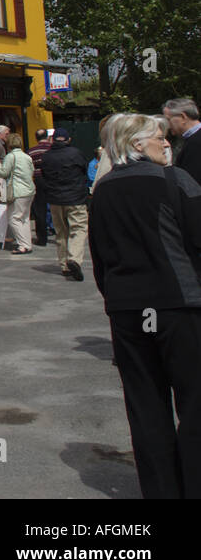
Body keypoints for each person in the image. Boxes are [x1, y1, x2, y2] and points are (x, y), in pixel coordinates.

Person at [89, 113, 201, 498]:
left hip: (128, 311)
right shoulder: (175, 181)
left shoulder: (102, 190)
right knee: (194, 401)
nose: (166, 144)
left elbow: (100, 256)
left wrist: (116, 300)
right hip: (179, 305)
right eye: (159, 138)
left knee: (145, 404)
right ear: (137, 144)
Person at [43, 128, 89, 281]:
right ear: (68, 140)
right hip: (75, 197)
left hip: (55, 199)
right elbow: (85, 171)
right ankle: (74, 259)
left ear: (53, 140)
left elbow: (44, 175)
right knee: (78, 228)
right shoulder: (76, 153)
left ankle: (64, 265)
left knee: (61, 232)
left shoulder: (47, 156)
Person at [0, 132, 36, 254]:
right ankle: (27, 244)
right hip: (29, 190)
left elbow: (3, 173)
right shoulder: (27, 157)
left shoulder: (10, 156)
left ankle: (22, 245)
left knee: (13, 218)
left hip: (17, 191)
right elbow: (32, 171)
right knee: (24, 218)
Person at [163, 98, 201, 184]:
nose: (168, 125)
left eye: (168, 119)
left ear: (183, 117)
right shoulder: (194, 139)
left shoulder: (196, 143)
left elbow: (192, 181)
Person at [28, 129, 53, 247]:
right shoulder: (53, 149)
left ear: (36, 138)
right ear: (47, 137)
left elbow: (29, 168)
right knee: (58, 207)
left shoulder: (32, 151)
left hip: (38, 180)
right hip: (54, 180)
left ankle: (42, 238)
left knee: (40, 209)